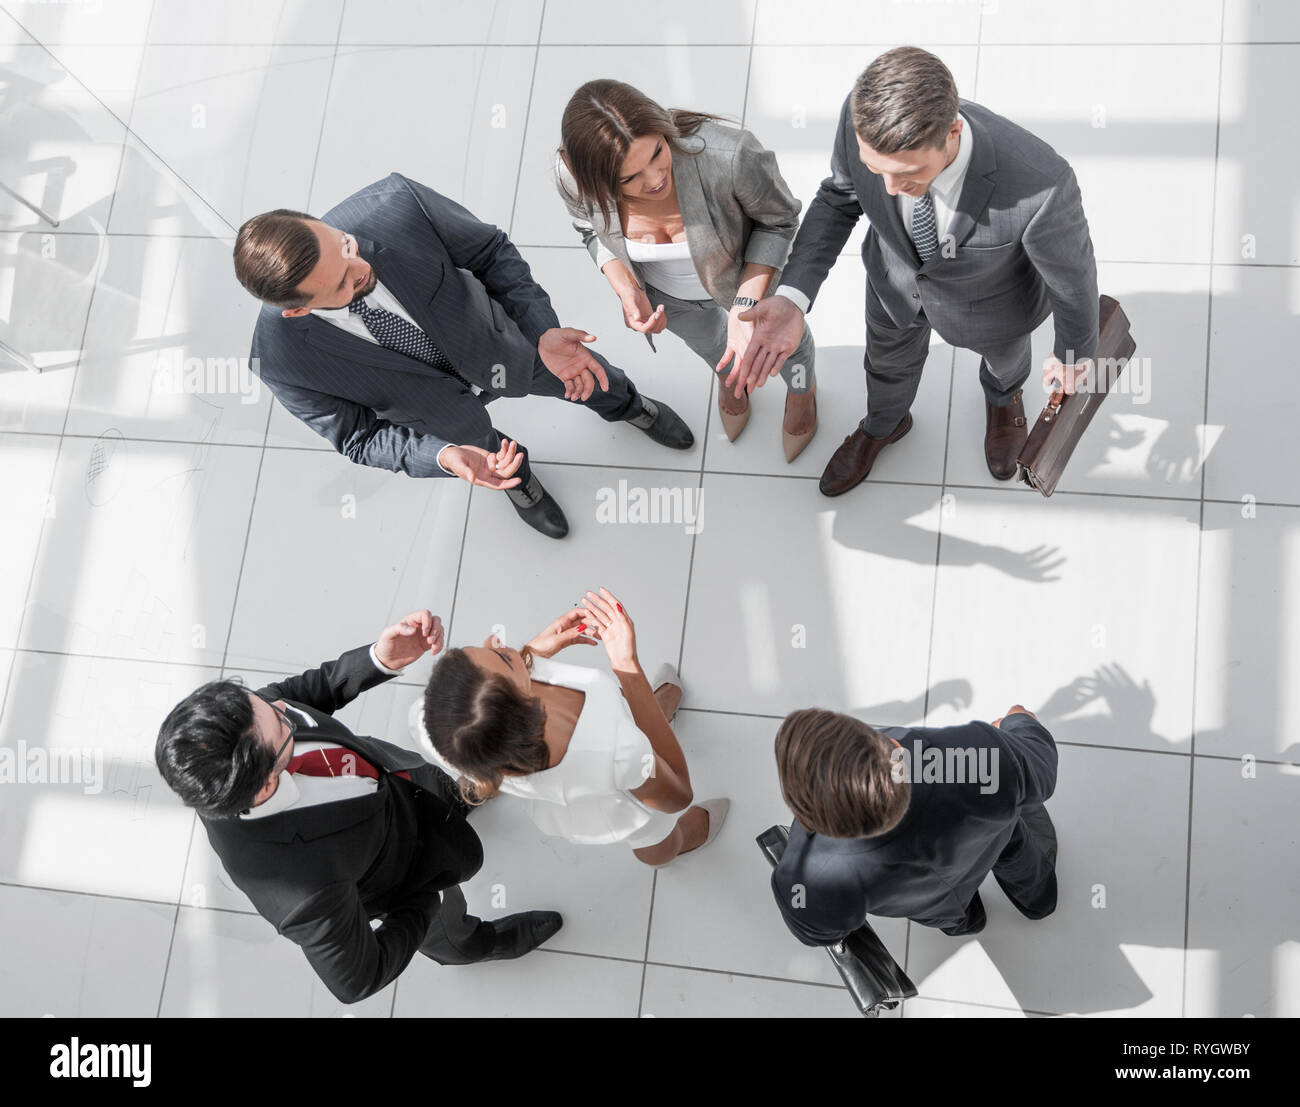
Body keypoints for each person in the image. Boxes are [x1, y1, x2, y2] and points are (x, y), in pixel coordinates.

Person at [233, 173, 695, 540]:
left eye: (346, 248)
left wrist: (541, 332)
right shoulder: (279, 360)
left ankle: (631, 407)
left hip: (505, 344)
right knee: (494, 459)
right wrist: (445, 456)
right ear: (296, 310)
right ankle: (521, 485)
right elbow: (358, 437)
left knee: (593, 379)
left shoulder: (398, 203)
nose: (362, 268)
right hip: (442, 418)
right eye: (342, 285)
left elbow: (491, 253)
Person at [733, 46, 1099, 493]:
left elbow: (1073, 282)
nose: (890, 189)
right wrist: (792, 297)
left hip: (995, 309)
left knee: (1006, 366)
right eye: (876, 170)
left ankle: (1004, 401)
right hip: (893, 286)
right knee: (884, 365)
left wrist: (1072, 356)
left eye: (907, 174)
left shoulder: (1042, 184)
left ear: (952, 132)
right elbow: (838, 199)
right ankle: (885, 424)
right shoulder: (859, 121)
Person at [154, 611, 561, 1005]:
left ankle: (464, 793)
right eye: (283, 727)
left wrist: (378, 661)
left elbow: (296, 695)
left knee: (445, 790)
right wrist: (423, 900)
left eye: (258, 701)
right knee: (447, 922)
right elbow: (357, 980)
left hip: (398, 780)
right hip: (405, 870)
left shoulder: (251, 723)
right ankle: (474, 944)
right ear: (263, 786)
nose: (281, 709)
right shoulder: (298, 892)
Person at [556, 80, 818, 461]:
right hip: (667, 299)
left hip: (747, 281)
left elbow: (779, 222)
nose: (655, 179)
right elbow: (588, 229)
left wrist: (745, 303)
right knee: (711, 346)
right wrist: (628, 289)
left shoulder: (730, 155)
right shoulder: (572, 178)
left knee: (783, 348)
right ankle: (730, 379)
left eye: (657, 153)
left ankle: (802, 391)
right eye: (629, 179)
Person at [413, 590, 728, 867]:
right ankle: (677, 844)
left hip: (565, 794)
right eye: (503, 658)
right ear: (526, 708)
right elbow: (679, 795)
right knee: (652, 836)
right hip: (620, 793)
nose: (496, 641)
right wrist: (628, 667)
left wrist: (530, 655)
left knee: (639, 734)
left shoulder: (433, 722)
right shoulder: (615, 750)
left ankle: (651, 715)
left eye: (482, 649)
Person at [770, 704, 1058, 943]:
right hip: (993, 840)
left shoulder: (807, 876)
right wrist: (1019, 722)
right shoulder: (974, 757)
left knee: (952, 916)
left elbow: (818, 933)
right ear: (894, 747)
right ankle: (1038, 902)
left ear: (808, 813)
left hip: (926, 903)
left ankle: (970, 924)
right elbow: (1042, 772)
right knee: (1018, 853)